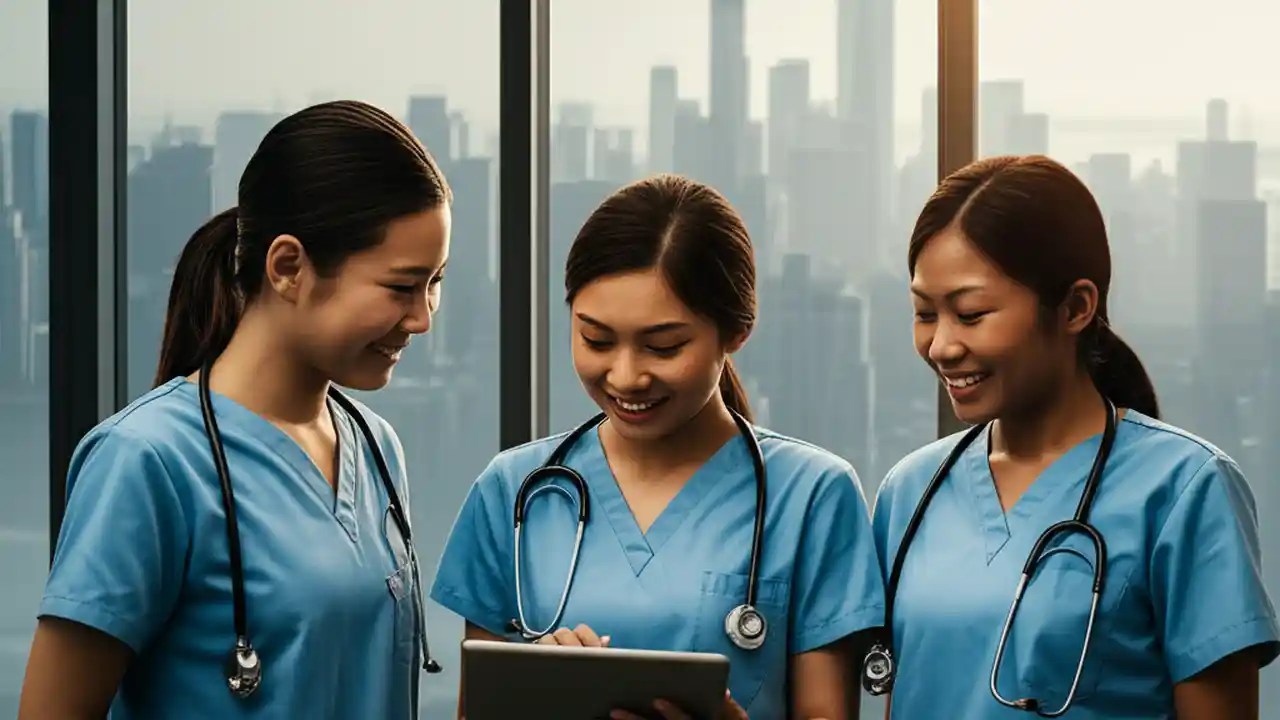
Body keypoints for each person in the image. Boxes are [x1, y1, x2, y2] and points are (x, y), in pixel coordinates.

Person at [18, 100, 452, 719]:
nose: (423, 317)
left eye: (435, 281)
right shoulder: (147, 461)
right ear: (288, 268)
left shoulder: (377, 446)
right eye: (401, 286)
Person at [430, 174, 884, 719]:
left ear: (735, 332)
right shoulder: (514, 490)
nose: (626, 377)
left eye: (664, 347)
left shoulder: (812, 496)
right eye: (596, 340)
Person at [868, 154, 1280, 719]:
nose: (940, 346)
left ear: (1075, 307)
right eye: (923, 313)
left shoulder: (1185, 490)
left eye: (970, 314)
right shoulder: (911, 491)